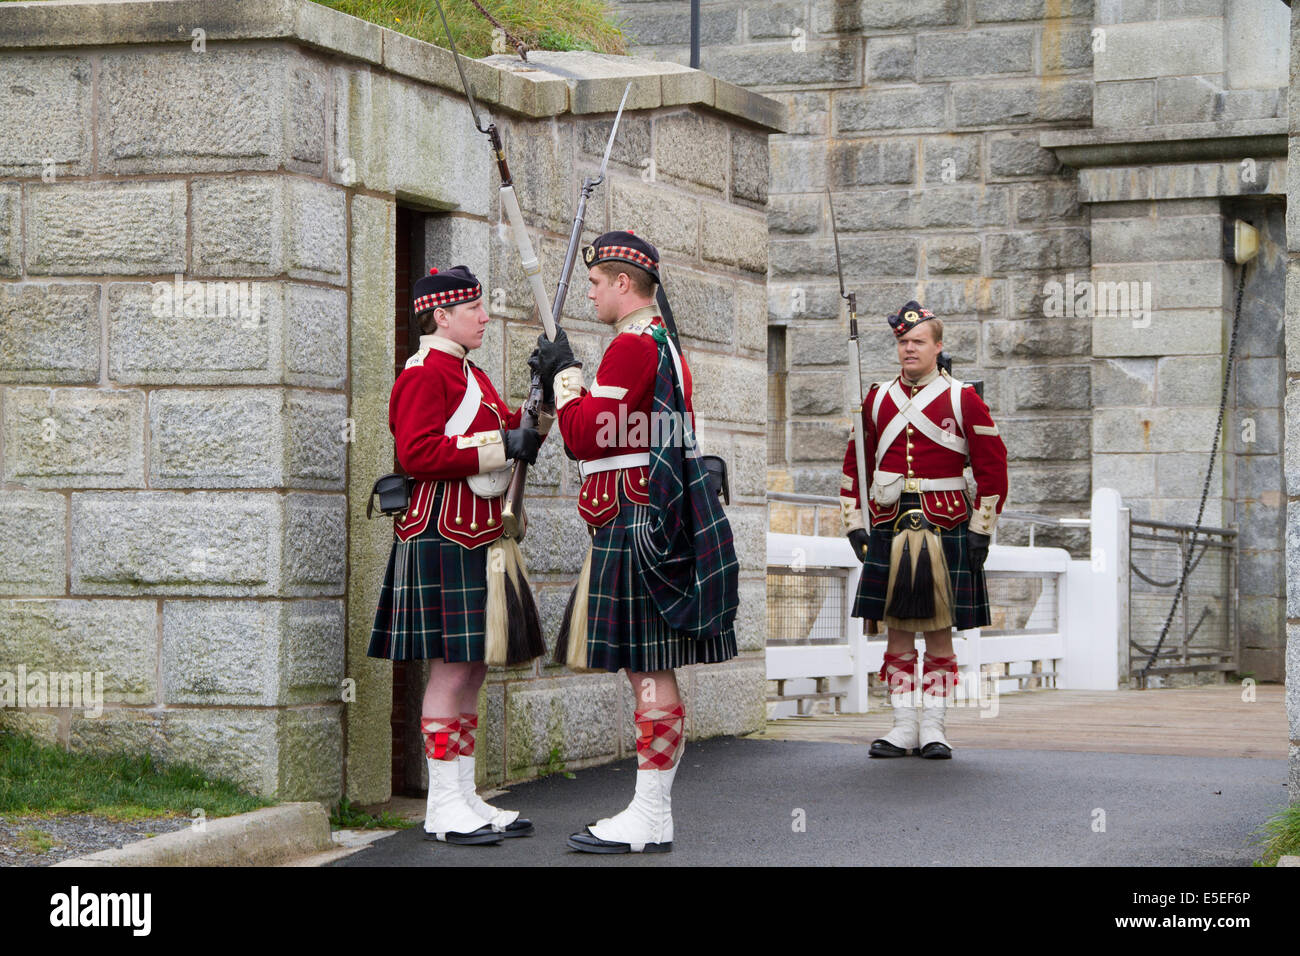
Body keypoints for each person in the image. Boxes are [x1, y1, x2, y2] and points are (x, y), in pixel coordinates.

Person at [529, 230, 738, 853]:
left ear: (624, 284)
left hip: (631, 520)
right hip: (641, 514)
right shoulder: (662, 344)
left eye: (596, 283)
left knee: (648, 670)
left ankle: (649, 814)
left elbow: (590, 436)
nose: (590, 293)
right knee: (648, 669)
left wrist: (565, 379)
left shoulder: (631, 346)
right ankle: (653, 811)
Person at [368, 265, 547, 845]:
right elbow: (417, 452)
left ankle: (466, 796)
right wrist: (502, 443)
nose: (484, 315)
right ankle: (442, 805)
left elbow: (509, 439)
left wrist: (540, 404)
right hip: (441, 534)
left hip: (476, 534)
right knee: (450, 668)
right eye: (474, 308)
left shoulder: (473, 373)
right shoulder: (425, 373)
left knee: (471, 665)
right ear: (441, 316)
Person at [840, 301, 1008, 759]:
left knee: (938, 631)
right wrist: (854, 522)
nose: (908, 349)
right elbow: (855, 465)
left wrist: (982, 528)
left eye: (917, 342)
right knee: (895, 629)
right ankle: (901, 727)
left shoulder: (962, 398)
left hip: (948, 522)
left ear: (937, 346)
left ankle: (934, 726)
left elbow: (993, 466)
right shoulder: (875, 399)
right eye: (902, 342)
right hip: (890, 523)